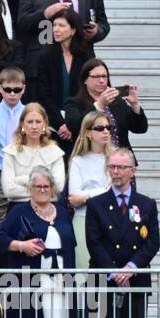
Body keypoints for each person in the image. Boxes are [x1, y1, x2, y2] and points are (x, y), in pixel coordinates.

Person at [0, 165, 72, 318]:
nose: (42, 190)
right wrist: (20, 245)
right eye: (37, 186)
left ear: (53, 188)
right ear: (30, 188)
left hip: (57, 287)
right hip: (29, 286)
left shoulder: (63, 212)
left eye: (46, 186)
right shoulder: (19, 212)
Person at [84, 147, 159, 318]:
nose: (116, 171)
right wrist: (116, 272)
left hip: (136, 276)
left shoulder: (147, 204)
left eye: (121, 167)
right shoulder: (96, 204)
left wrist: (131, 267)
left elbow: (153, 242)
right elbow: (93, 242)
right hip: (102, 276)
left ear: (132, 171)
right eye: (112, 167)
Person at [61, 59, 147, 160]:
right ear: (85, 80)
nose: (101, 80)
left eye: (104, 76)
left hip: (120, 162)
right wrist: (99, 105)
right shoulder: (74, 103)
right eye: (96, 76)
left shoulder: (117, 102)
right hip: (90, 161)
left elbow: (140, 128)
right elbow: (75, 126)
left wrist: (135, 104)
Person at [16, 0, 107, 82]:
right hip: (43, 64)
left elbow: (103, 24)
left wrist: (96, 31)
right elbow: (22, 23)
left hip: (82, 63)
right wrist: (45, 14)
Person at [31, 8, 92, 134]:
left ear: (73, 30)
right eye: (54, 25)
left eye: (61, 25)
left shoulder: (86, 55)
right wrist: (61, 124)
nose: (55, 29)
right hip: (53, 124)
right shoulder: (46, 55)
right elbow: (43, 94)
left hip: (81, 121)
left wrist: (73, 123)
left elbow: (88, 91)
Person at [65, 108, 108, 268]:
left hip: (110, 220)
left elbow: (119, 193)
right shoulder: (78, 161)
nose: (105, 131)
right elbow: (74, 199)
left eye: (108, 128)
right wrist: (104, 190)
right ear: (88, 133)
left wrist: (87, 195)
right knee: (84, 275)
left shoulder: (115, 159)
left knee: (108, 277)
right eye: (99, 128)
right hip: (83, 219)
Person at [0, 101, 64, 207]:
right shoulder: (11, 151)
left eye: (38, 121)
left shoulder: (55, 152)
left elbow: (58, 186)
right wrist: (44, 188)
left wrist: (20, 180)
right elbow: (9, 190)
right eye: (30, 122)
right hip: (19, 208)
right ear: (22, 124)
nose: (34, 126)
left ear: (44, 124)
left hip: (49, 208)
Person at [0, 65, 25, 231]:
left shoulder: (30, 114)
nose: (12, 94)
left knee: (24, 222)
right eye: (8, 89)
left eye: (17, 89)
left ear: (24, 89)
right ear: (0, 89)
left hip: (23, 172)